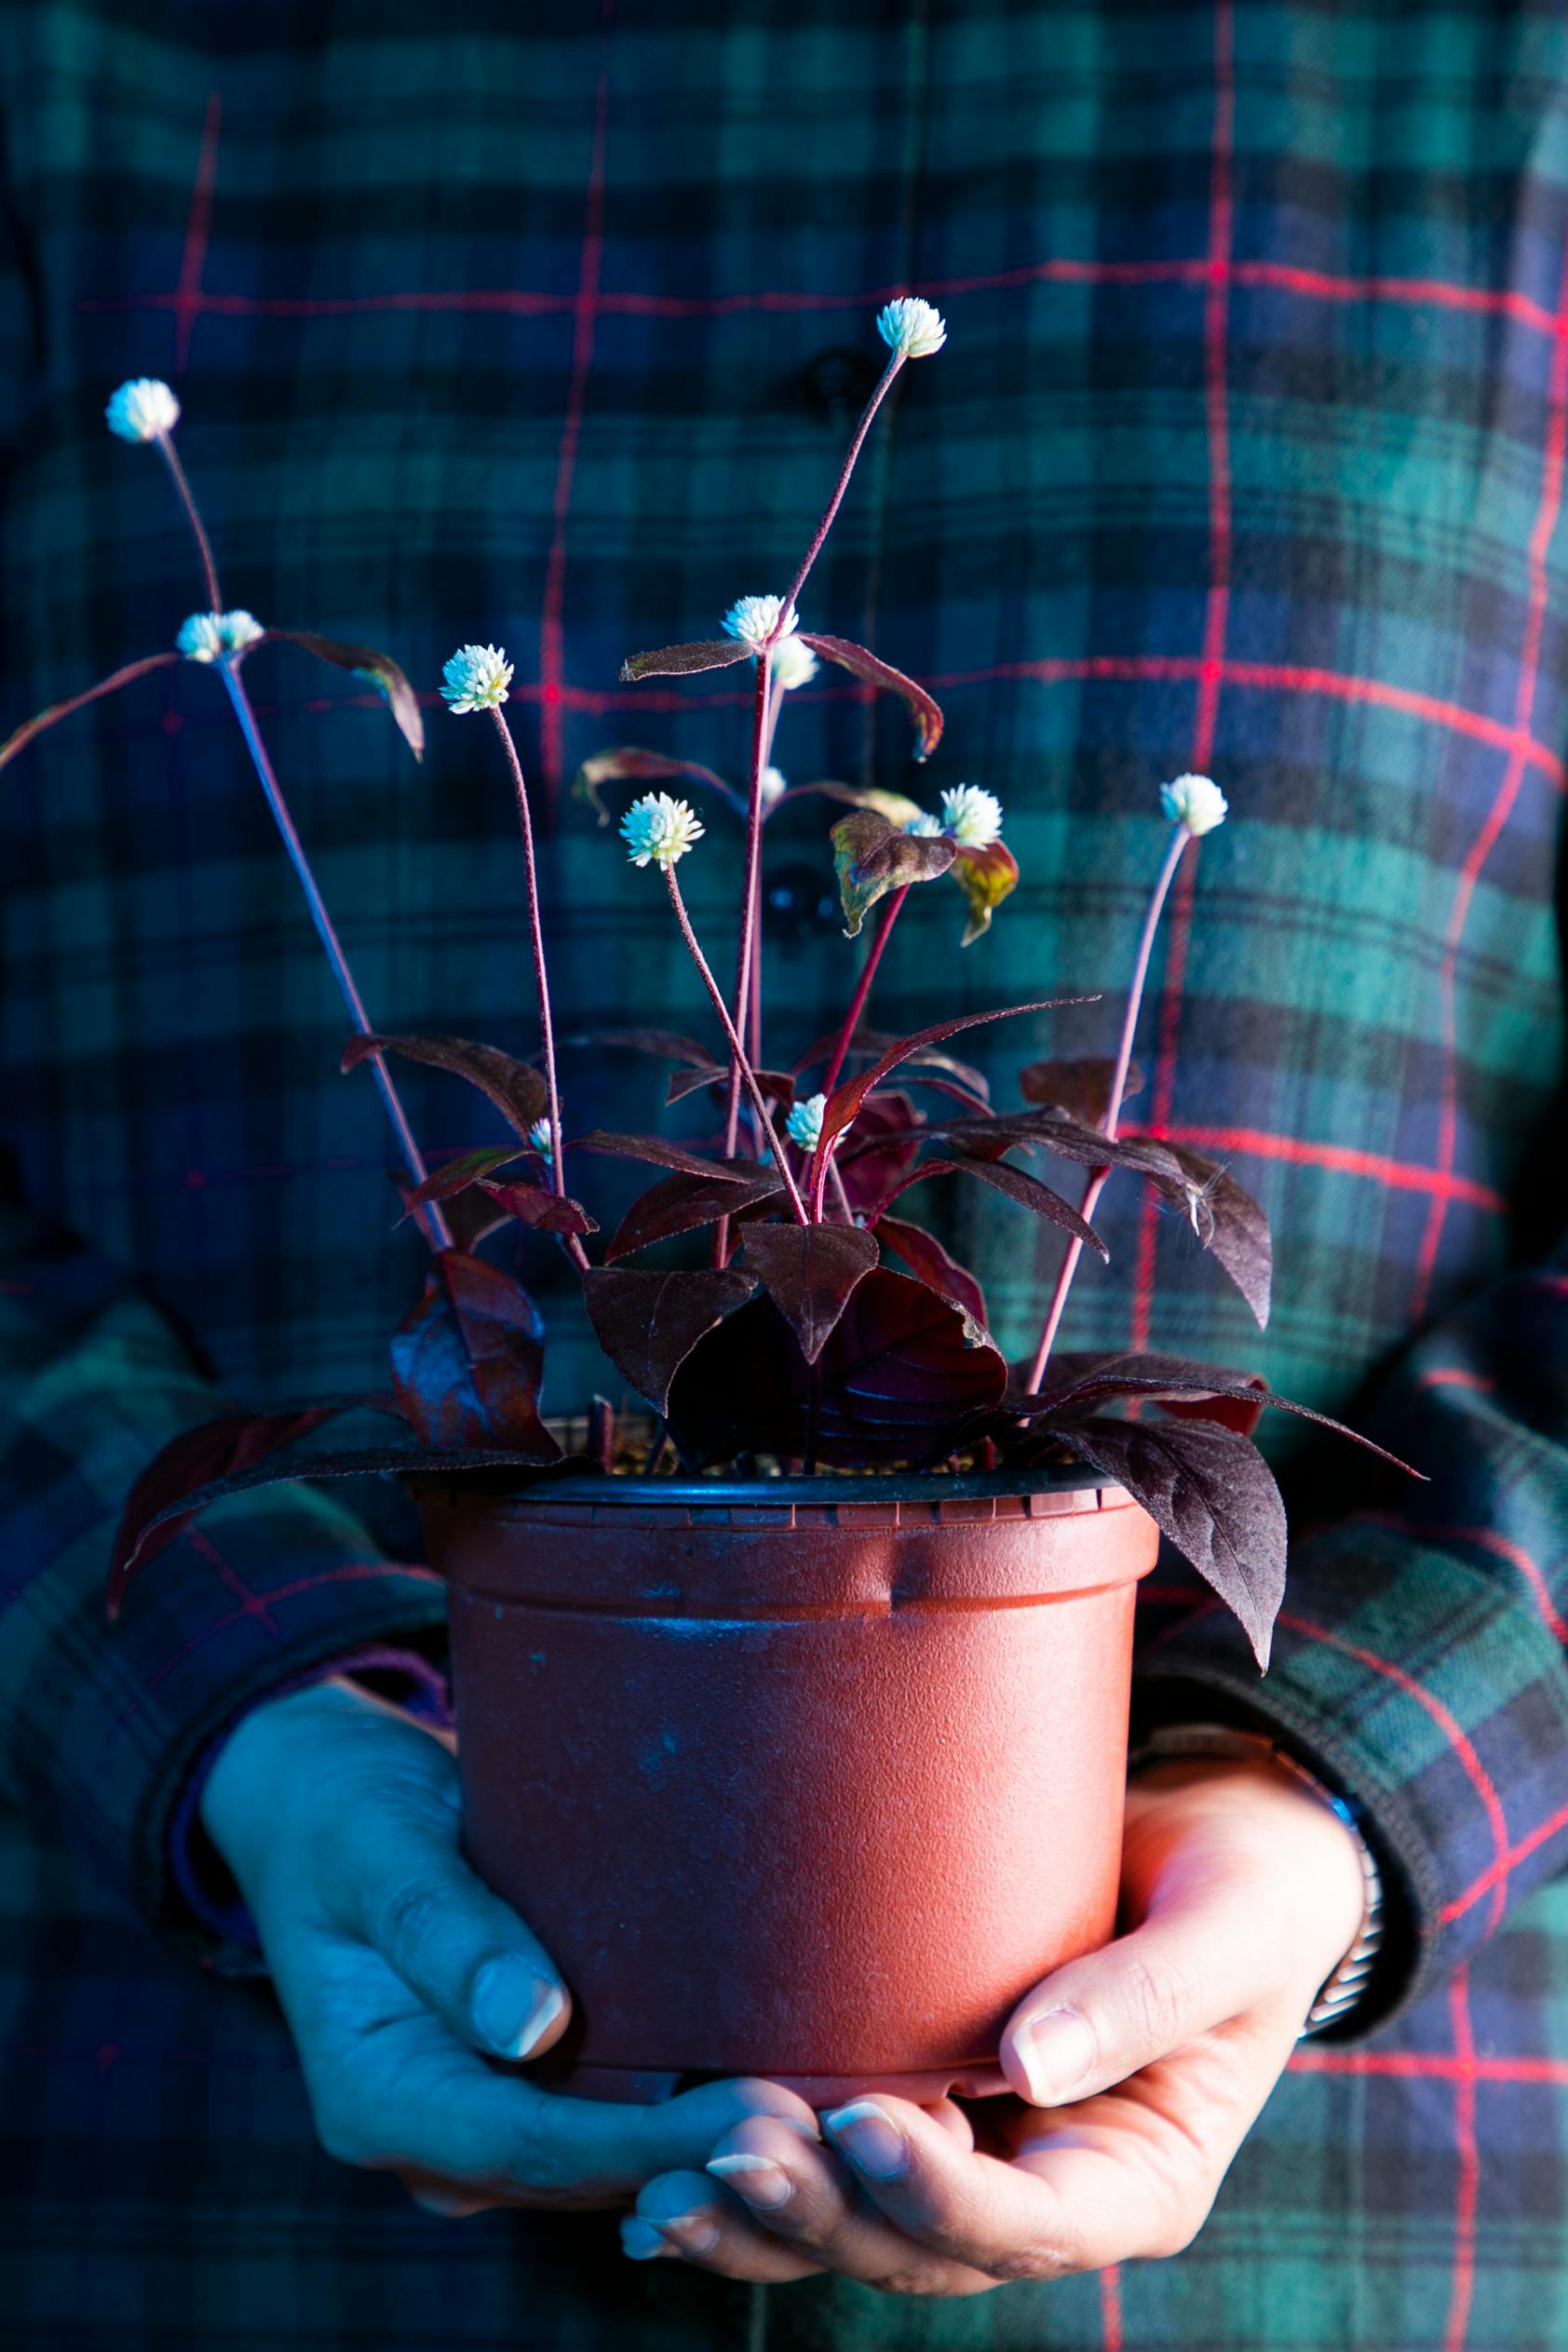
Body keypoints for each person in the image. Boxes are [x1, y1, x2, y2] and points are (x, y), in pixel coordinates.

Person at [4, 4, 1567, 2345]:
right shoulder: (74, 79)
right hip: (185, 2189)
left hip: (1325, 2222)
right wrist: (230, 1702)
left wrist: (1343, 1782)